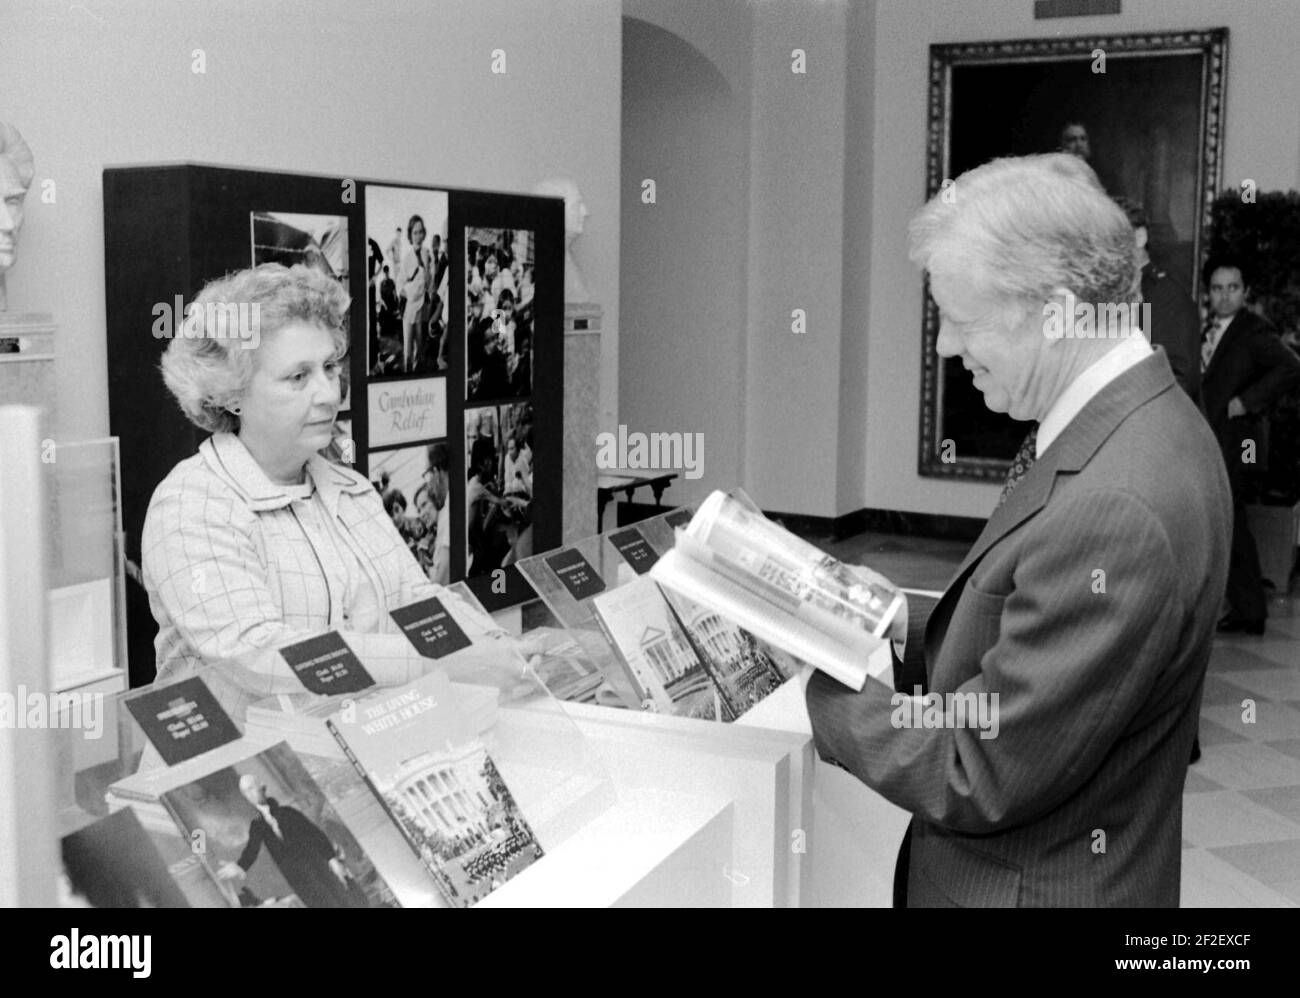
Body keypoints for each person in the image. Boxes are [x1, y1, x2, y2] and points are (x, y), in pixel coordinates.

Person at [805, 154, 1231, 907]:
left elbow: (981, 768)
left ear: (1060, 311)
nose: (942, 347)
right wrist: (894, 621)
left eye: (963, 321)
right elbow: (1038, 627)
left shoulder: (1117, 506)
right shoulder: (1142, 422)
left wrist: (814, 676)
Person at [142, 264, 564, 729]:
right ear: (232, 394)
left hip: (345, 757)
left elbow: (416, 600)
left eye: (329, 367)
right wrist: (439, 663)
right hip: (230, 781)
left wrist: (496, 646)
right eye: (297, 377)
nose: (328, 393)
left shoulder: (349, 489)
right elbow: (259, 653)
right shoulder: (191, 505)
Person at [1200, 255, 1300, 634]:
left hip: (1240, 441)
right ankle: (1246, 608)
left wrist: (1248, 400)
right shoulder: (1209, 328)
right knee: (1231, 520)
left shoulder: (1253, 330)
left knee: (1232, 518)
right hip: (1216, 438)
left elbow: (1291, 366)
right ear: (1209, 292)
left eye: (1233, 288)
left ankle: (1248, 609)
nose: (1225, 296)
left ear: (1245, 292)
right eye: (1217, 288)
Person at [218, 774, 363, 908]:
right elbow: (251, 849)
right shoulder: (257, 826)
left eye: (251, 788)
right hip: (299, 879)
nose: (250, 794)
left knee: (341, 898)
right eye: (245, 792)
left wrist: (332, 860)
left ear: (261, 786)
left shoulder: (288, 813)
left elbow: (315, 834)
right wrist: (240, 866)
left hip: (318, 866)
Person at [1114, 198, 1201, 401]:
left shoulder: (1166, 295)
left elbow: (1181, 377)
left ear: (1140, 237)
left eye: (1114, 238)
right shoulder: (1111, 294)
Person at [399, 215, 430, 372]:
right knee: (408, 352)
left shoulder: (426, 254)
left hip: (422, 308)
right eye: (415, 233)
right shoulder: (406, 258)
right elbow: (400, 285)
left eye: (420, 232)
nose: (418, 236)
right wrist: (410, 292)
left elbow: (428, 281)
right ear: (410, 235)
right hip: (410, 309)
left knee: (421, 351)